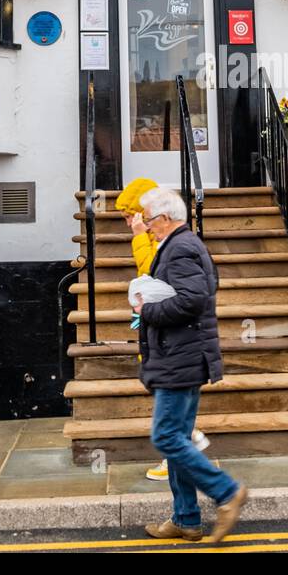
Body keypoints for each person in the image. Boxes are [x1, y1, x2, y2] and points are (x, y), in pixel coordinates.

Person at [136, 186, 247, 543]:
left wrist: (146, 311)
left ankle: (226, 492)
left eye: (149, 220)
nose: (146, 226)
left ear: (165, 219)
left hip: (180, 358)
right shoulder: (181, 244)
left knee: (166, 436)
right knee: (178, 438)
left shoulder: (181, 247)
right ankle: (186, 518)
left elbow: (192, 300)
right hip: (181, 355)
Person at [115, 177, 210, 482]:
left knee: (169, 419)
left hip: (175, 345)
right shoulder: (166, 240)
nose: (130, 222)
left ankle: (214, 478)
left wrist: (139, 237)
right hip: (167, 340)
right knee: (169, 406)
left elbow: (151, 272)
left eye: (132, 216)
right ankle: (185, 505)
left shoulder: (173, 244)